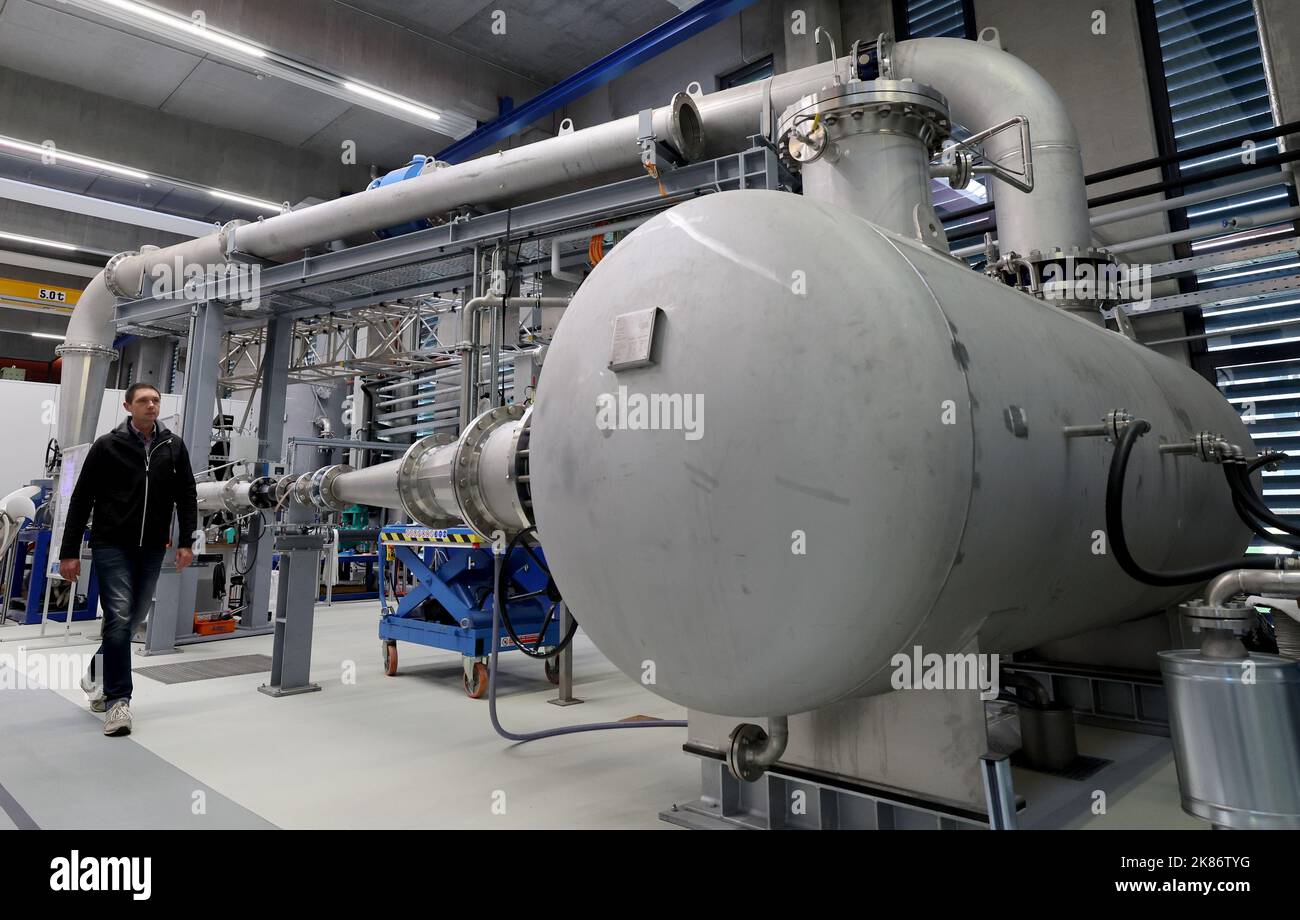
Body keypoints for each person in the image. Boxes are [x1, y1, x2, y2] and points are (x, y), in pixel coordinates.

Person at [58, 382, 198, 736]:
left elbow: (187, 496)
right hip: (111, 545)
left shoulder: (173, 446)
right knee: (119, 618)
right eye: (144, 401)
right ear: (128, 406)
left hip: (152, 547)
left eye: (155, 400)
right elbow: (81, 498)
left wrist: (187, 542)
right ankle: (119, 702)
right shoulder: (108, 446)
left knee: (132, 619)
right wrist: (69, 551)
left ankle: (95, 673)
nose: (151, 406)